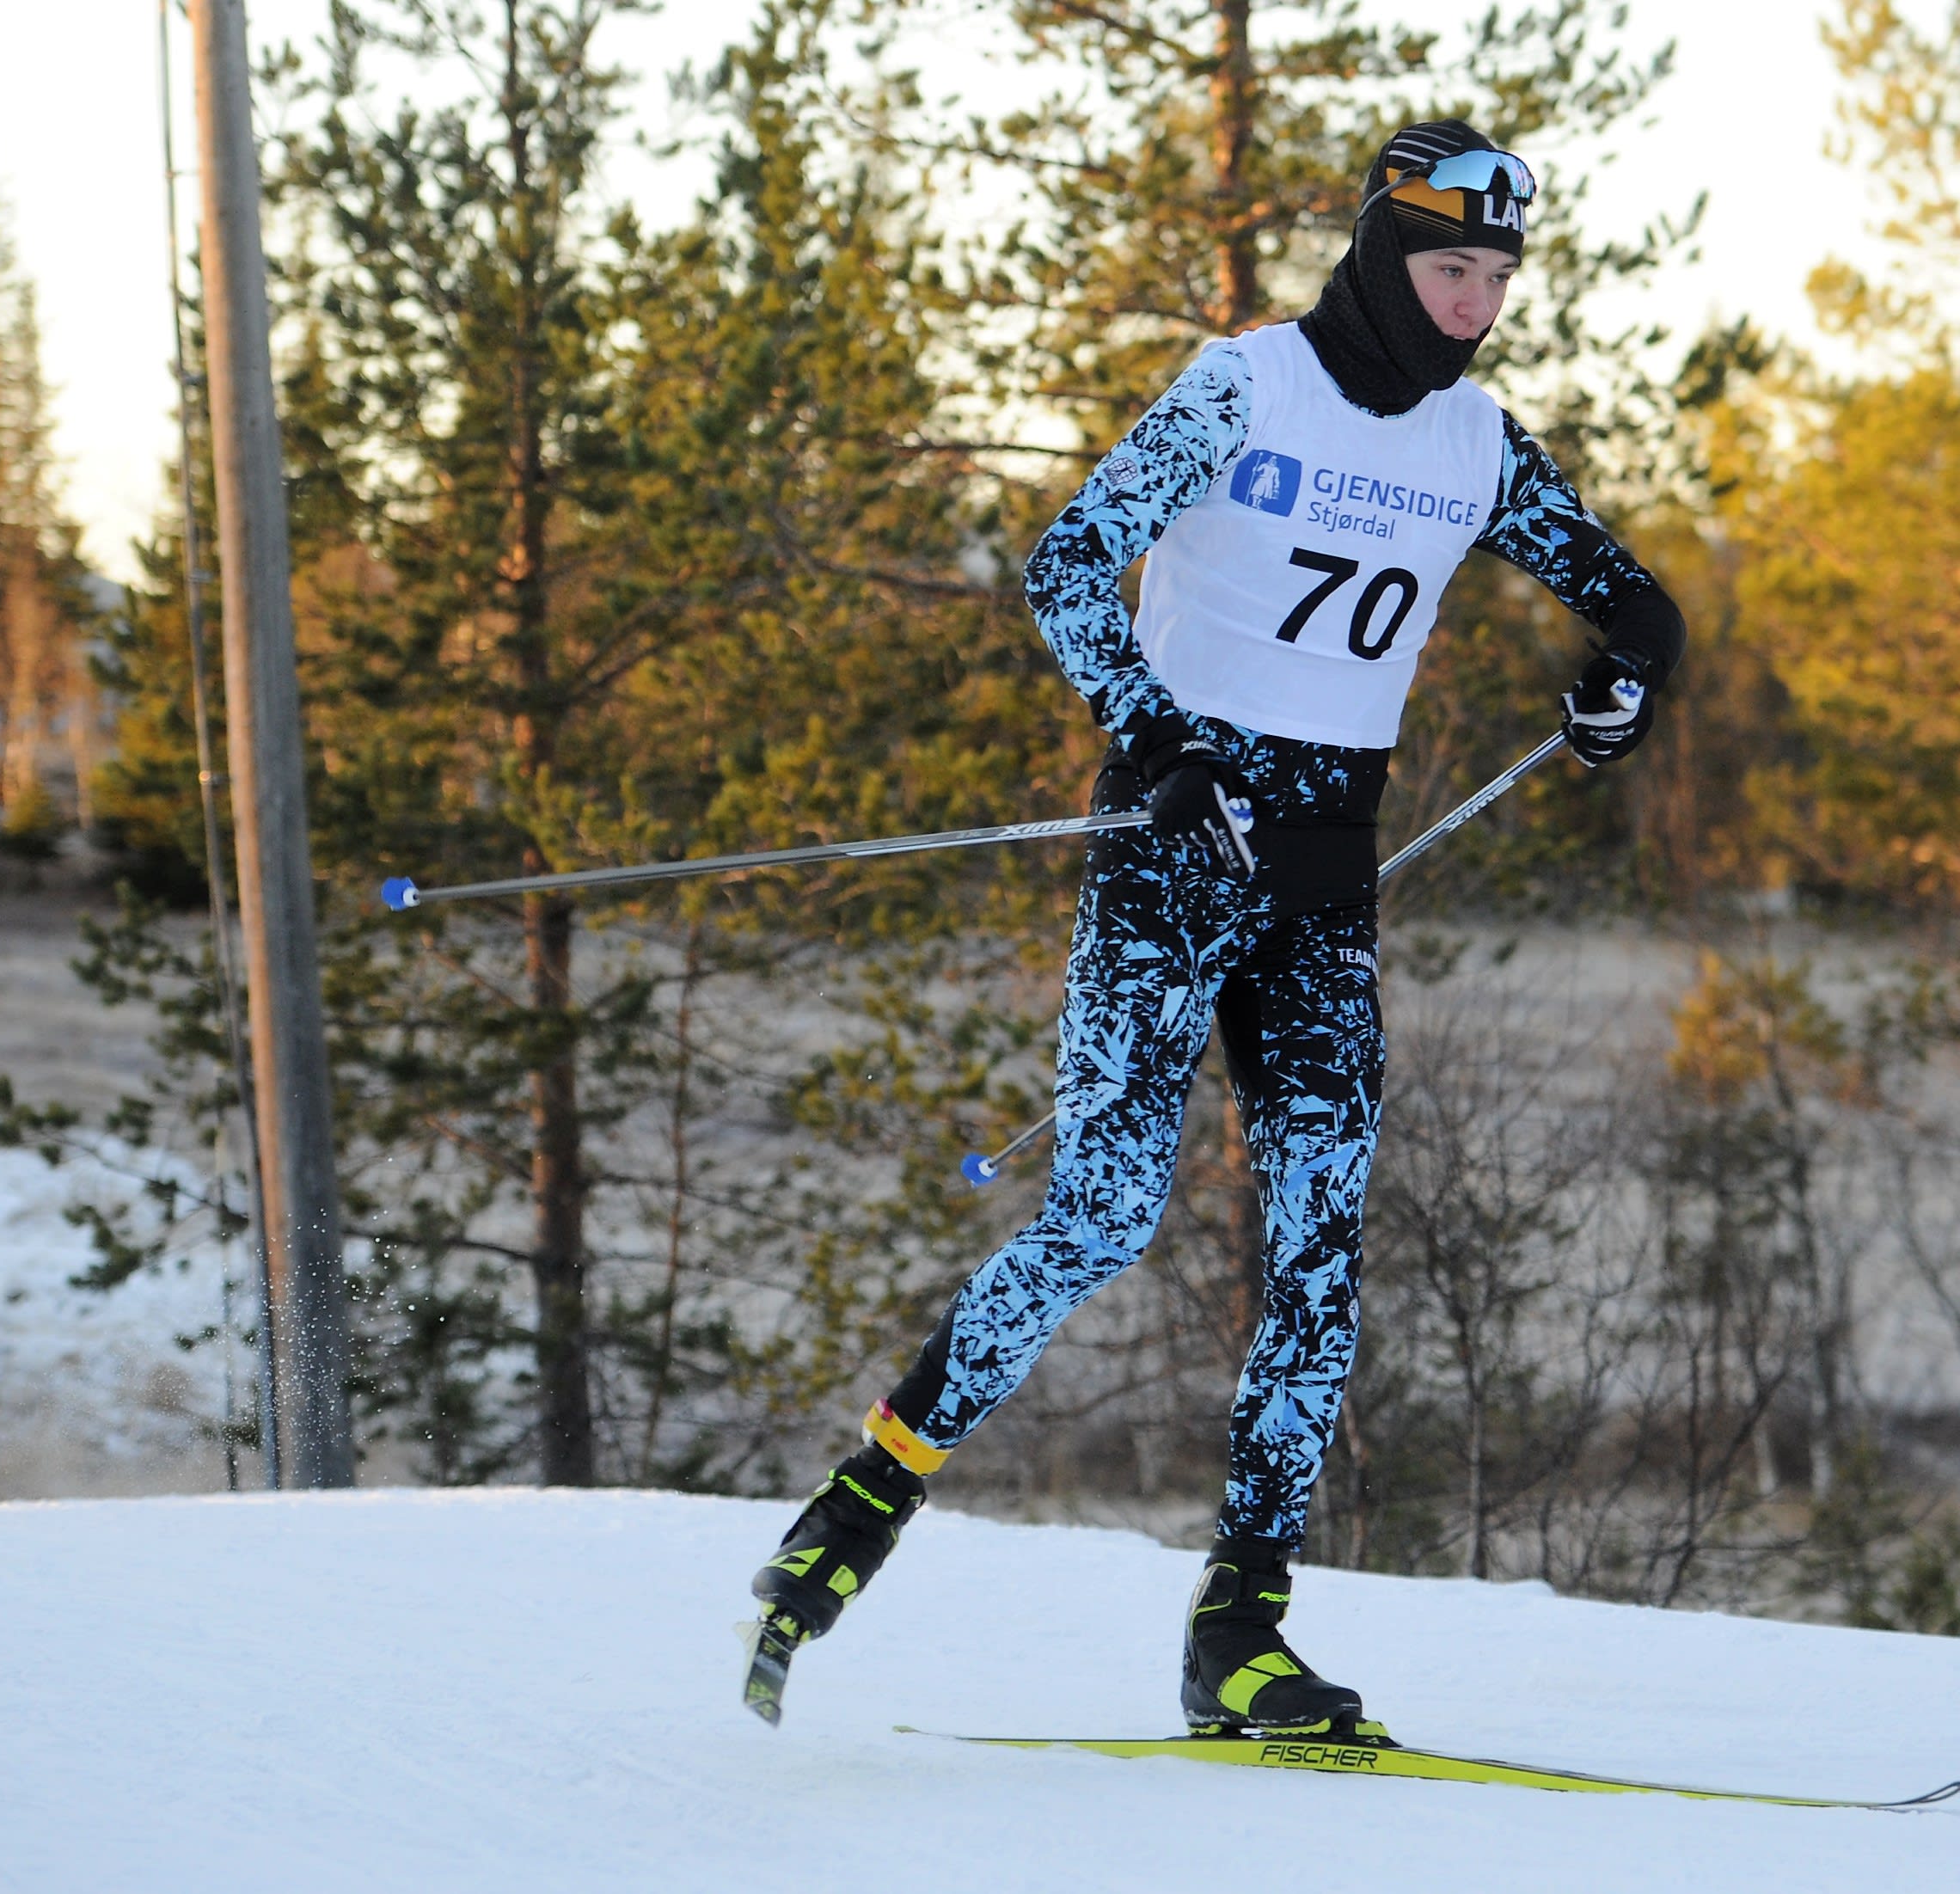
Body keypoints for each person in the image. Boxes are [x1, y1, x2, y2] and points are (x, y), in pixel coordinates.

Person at [747, 122, 1684, 1736]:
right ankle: (861, 1502)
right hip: (1180, 850)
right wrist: (1151, 729)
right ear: (1387, 256)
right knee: (1104, 1213)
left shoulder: (1474, 446)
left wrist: (1624, 687)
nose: (1475, 305)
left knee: (1322, 1254)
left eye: (1499, 279)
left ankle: (1238, 1632)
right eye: (1452, 269)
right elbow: (1071, 561)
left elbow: (1636, 601)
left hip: (1323, 885)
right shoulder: (1242, 387)